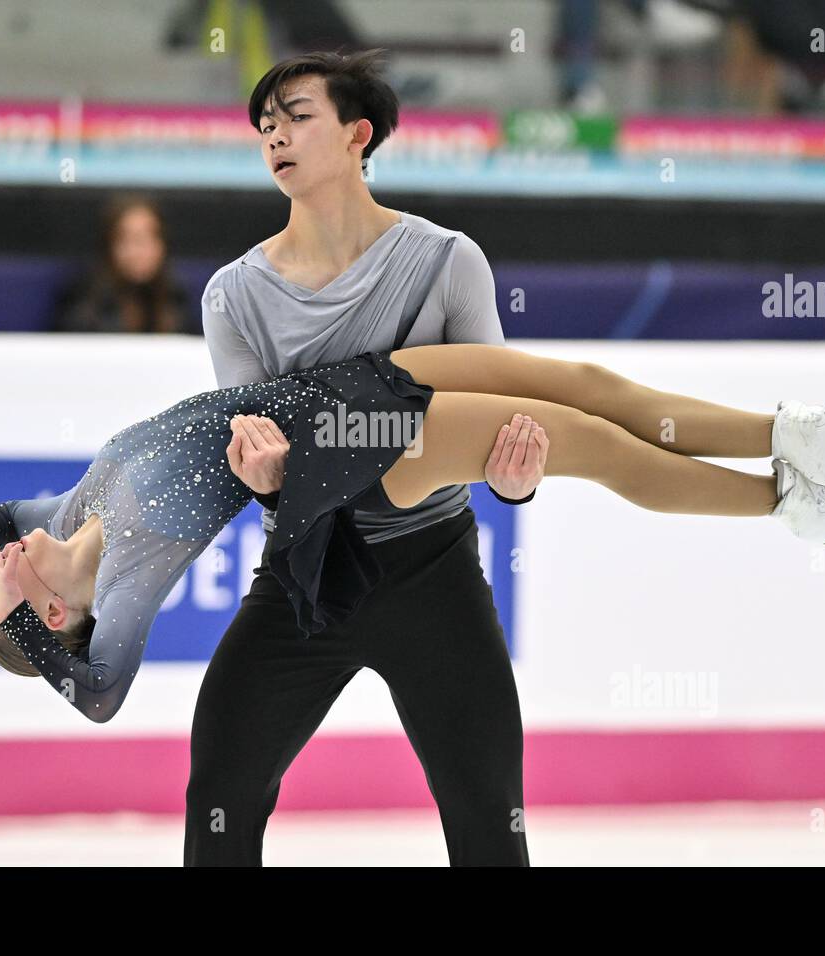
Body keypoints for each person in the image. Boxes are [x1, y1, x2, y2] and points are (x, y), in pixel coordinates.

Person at [0, 343, 825, 782]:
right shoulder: (124, 578)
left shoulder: (63, 514)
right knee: (577, 438)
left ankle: (800, 433)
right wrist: (17, 625)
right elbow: (100, 694)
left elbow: (3, 516)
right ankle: (793, 505)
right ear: (54, 619)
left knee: (574, 381)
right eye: (5, 595)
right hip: (344, 447)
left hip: (334, 385)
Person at [189, 48, 543, 868]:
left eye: (296, 116)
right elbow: (264, 448)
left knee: (490, 808)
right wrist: (263, 478)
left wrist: (511, 481)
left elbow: (492, 417)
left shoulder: (448, 261)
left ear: (358, 135)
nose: (275, 135)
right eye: (264, 125)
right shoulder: (233, 295)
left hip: (435, 571)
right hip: (305, 575)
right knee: (219, 793)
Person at [52, 194, 196, 335]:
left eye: (148, 238)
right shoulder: (82, 303)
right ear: (109, 246)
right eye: (128, 239)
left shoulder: (177, 300)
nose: (139, 250)